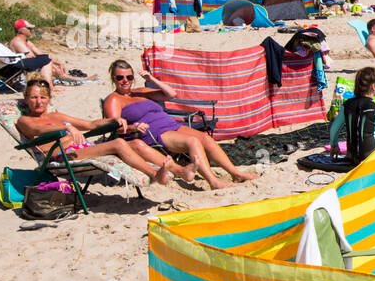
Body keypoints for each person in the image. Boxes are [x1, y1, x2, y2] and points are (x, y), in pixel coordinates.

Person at [102, 60, 259, 190]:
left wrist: (152, 80)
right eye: (120, 78)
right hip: (152, 133)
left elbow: (171, 94)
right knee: (192, 141)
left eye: (129, 77)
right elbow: (113, 126)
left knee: (205, 138)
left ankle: (235, 173)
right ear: (113, 79)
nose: (125, 81)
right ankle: (213, 181)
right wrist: (133, 127)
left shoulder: (140, 92)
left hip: (171, 125)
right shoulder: (114, 100)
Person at [16, 78, 173, 186]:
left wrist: (113, 120)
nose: (38, 102)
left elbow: (90, 124)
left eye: (43, 97)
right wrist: (66, 127)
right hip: (60, 155)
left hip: (83, 148)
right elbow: (38, 130)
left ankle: (177, 170)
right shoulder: (25, 120)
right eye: (33, 97)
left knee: (136, 143)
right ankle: (154, 174)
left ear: (49, 98)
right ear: (26, 98)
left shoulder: (55, 116)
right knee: (118, 143)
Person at [0, 20, 54, 85]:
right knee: (46, 59)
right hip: (9, 68)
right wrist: (22, 56)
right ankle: (47, 86)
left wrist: (21, 56)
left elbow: (3, 57)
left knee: (43, 58)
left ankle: (44, 84)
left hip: (7, 66)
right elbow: (3, 58)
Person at [9, 19, 79, 82]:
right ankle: (77, 80)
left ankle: (74, 79)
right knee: (50, 67)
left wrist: (58, 63)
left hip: (27, 67)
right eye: (29, 28)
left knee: (50, 63)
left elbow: (41, 55)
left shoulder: (26, 42)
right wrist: (53, 65)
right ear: (21, 30)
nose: (31, 30)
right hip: (21, 70)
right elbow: (32, 58)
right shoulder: (17, 42)